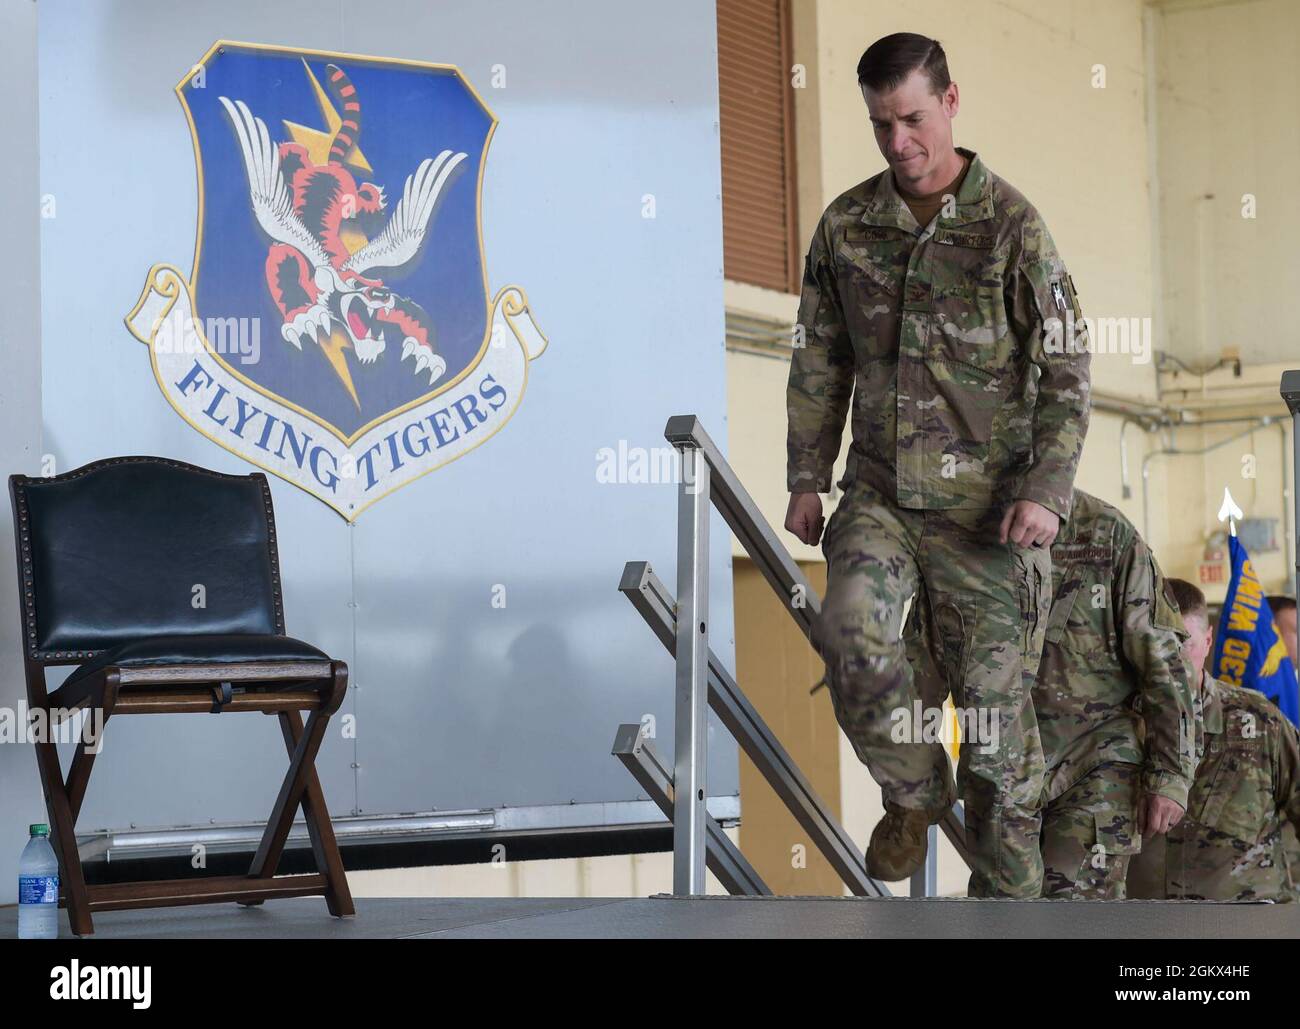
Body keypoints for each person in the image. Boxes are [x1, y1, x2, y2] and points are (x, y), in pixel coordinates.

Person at [785, 32, 1090, 896]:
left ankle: (1012, 909)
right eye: (881, 125)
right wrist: (807, 472)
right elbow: (819, 357)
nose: (899, 143)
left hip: (989, 515)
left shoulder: (1013, 226)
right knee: (847, 631)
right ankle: (915, 791)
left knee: (998, 745)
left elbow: (1067, 362)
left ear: (951, 102)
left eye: (913, 119)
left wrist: (1047, 489)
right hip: (879, 493)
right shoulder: (847, 226)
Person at [1127, 578, 1300, 900]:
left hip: (1247, 922)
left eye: (1185, 646)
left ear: (1207, 641)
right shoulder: (1116, 722)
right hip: (1142, 924)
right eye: (1161, 648)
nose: (1172, 665)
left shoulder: (1258, 720)